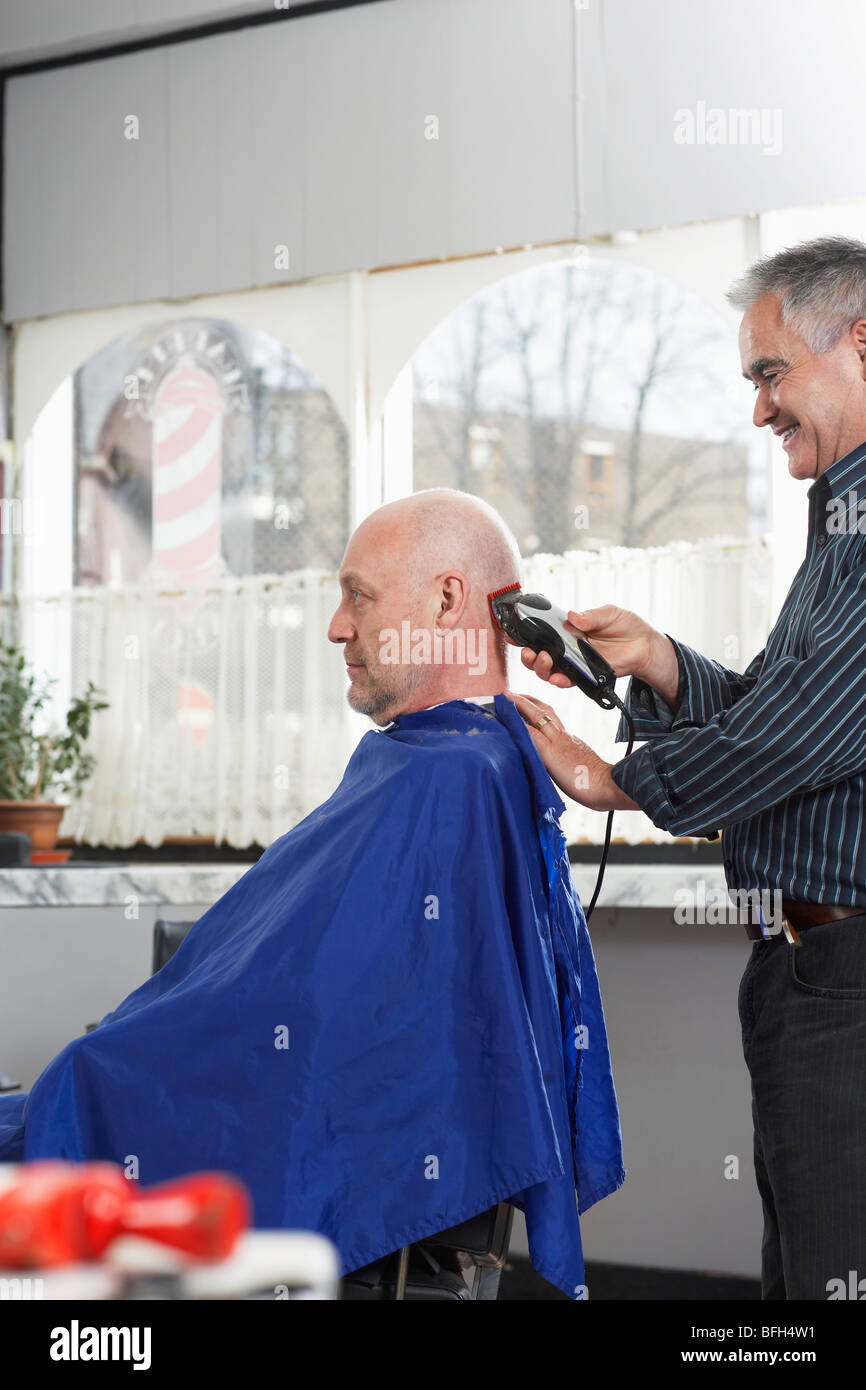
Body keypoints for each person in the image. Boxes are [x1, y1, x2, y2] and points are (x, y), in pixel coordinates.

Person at [0, 488, 624, 1300]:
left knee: (51, 1118)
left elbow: (313, 1032)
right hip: (164, 1068)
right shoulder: (454, 761)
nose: (337, 626)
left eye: (357, 596)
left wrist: (106, 1070)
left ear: (445, 600)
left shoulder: (451, 776)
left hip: (138, 1094)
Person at [506, 236, 866, 1301]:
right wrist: (654, 661)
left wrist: (606, 779)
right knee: (801, 1268)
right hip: (806, 971)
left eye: (768, 374)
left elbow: (805, 732)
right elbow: (779, 703)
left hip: (843, 982)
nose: (756, 409)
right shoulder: (840, 525)